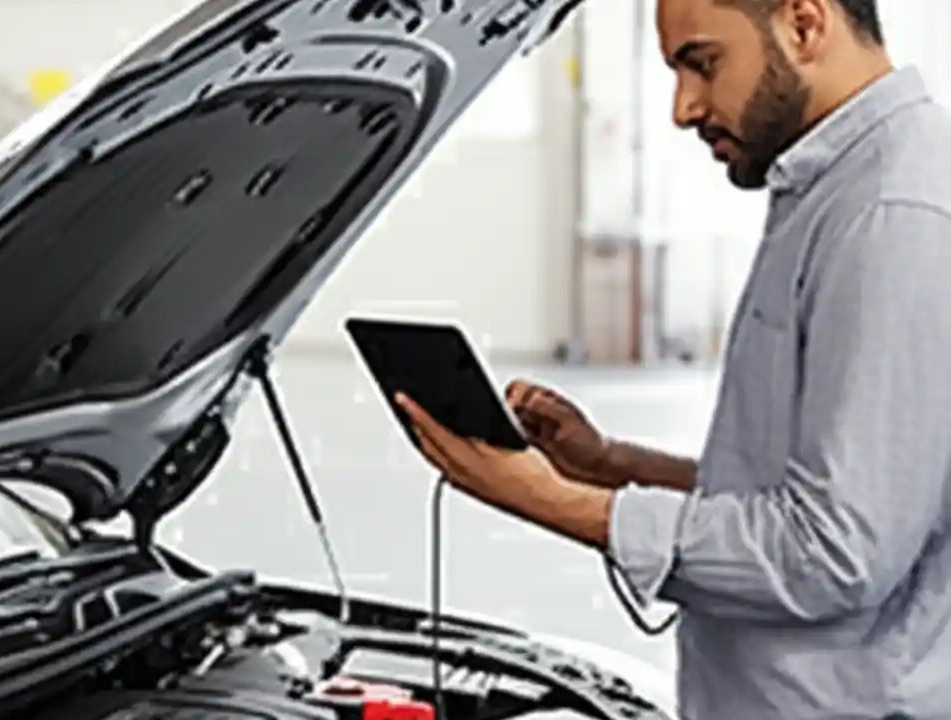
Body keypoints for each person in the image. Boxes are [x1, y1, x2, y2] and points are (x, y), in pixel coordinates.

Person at [395, 0, 951, 718]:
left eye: (702, 63)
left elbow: (832, 556)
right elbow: (805, 490)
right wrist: (609, 464)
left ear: (806, 25)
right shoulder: (835, 192)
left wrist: (546, 498)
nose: (684, 108)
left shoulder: (890, 214)